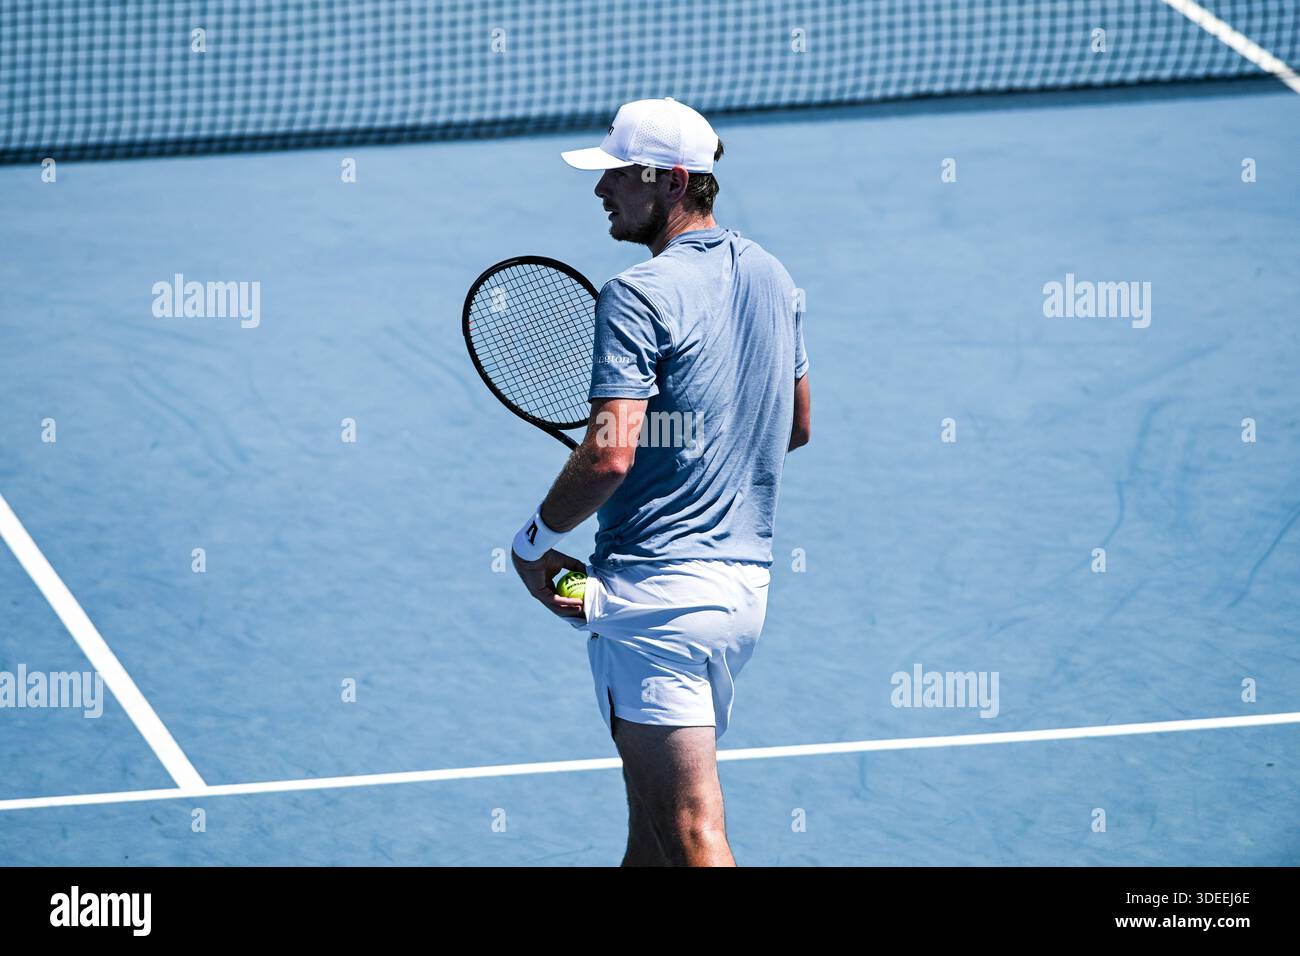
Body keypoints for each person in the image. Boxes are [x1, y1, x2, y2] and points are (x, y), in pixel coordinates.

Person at [510, 97, 810, 866]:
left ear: (673, 183)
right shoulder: (775, 277)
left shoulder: (636, 295)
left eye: (618, 176)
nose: (602, 190)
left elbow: (610, 453)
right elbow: (795, 426)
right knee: (650, 837)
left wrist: (535, 542)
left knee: (690, 833)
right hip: (740, 599)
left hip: (656, 605)